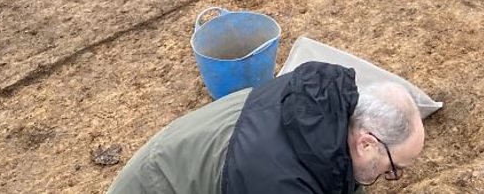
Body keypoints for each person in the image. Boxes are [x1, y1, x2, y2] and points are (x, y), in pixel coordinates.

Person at [107, 62, 426, 194]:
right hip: (158, 185)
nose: (390, 177)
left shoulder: (323, 108)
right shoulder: (279, 181)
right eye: (393, 168)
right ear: (366, 143)